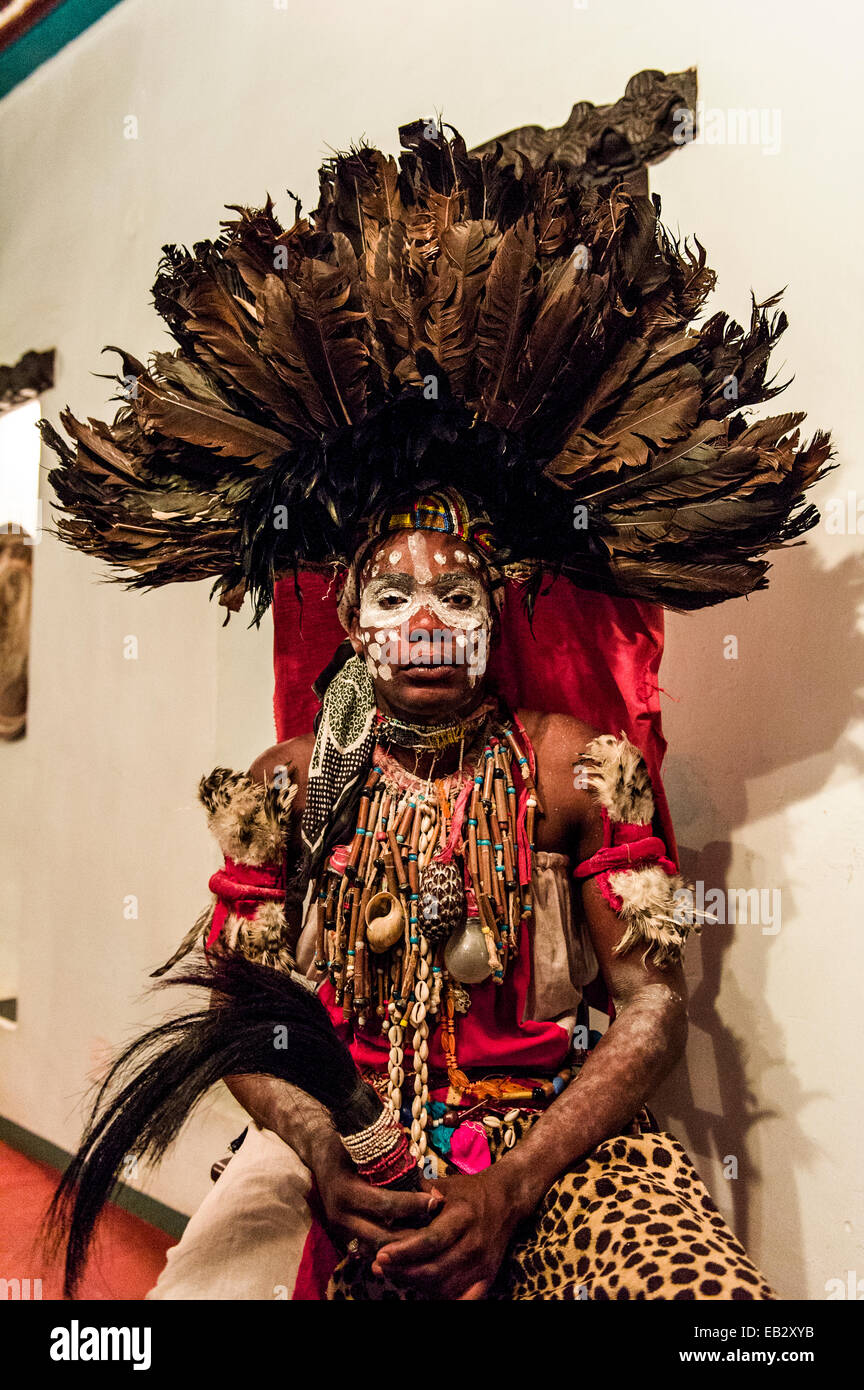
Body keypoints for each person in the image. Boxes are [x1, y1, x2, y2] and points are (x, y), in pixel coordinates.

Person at [40, 87, 830, 1300]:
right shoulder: (289, 784)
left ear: (499, 606)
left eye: (452, 594)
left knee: (715, 1313)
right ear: (346, 616)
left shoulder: (575, 765)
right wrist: (318, 1148)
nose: (421, 623)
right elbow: (241, 1009)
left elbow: (652, 1009)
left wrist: (517, 1181)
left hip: (558, 1145)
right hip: (351, 1144)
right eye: (390, 596)